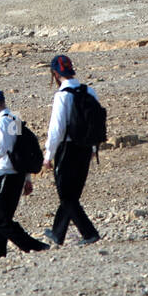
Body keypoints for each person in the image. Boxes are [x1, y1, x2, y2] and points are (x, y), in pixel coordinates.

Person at [0, 89, 49, 259]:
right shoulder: (14, 117)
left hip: (4, 174)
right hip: (17, 174)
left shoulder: (2, 122)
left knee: (1, 221)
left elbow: (0, 149)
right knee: (0, 221)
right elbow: (21, 150)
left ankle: (36, 247)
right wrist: (27, 178)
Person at [41, 54, 102, 246]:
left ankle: (89, 233)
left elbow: (56, 130)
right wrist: (93, 147)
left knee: (66, 196)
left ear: (56, 74)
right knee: (71, 194)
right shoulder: (90, 92)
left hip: (67, 149)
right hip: (85, 148)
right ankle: (58, 234)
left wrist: (48, 155)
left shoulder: (62, 96)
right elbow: (96, 123)